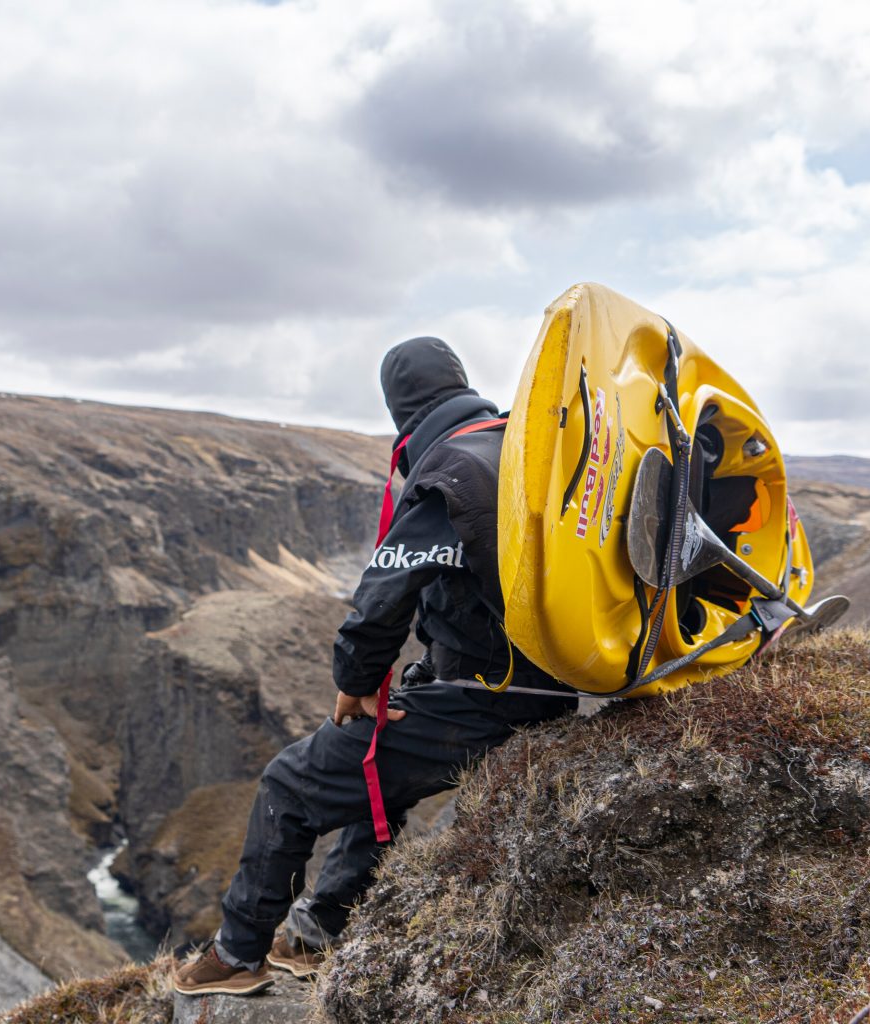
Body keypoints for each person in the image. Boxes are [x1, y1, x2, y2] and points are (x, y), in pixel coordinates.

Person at [173, 336, 578, 996]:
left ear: (400, 412)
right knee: (378, 768)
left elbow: (386, 591)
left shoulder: (452, 468)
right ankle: (315, 932)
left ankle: (237, 956)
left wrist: (355, 680)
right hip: (541, 686)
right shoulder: (520, 445)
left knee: (287, 785)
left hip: (488, 701)